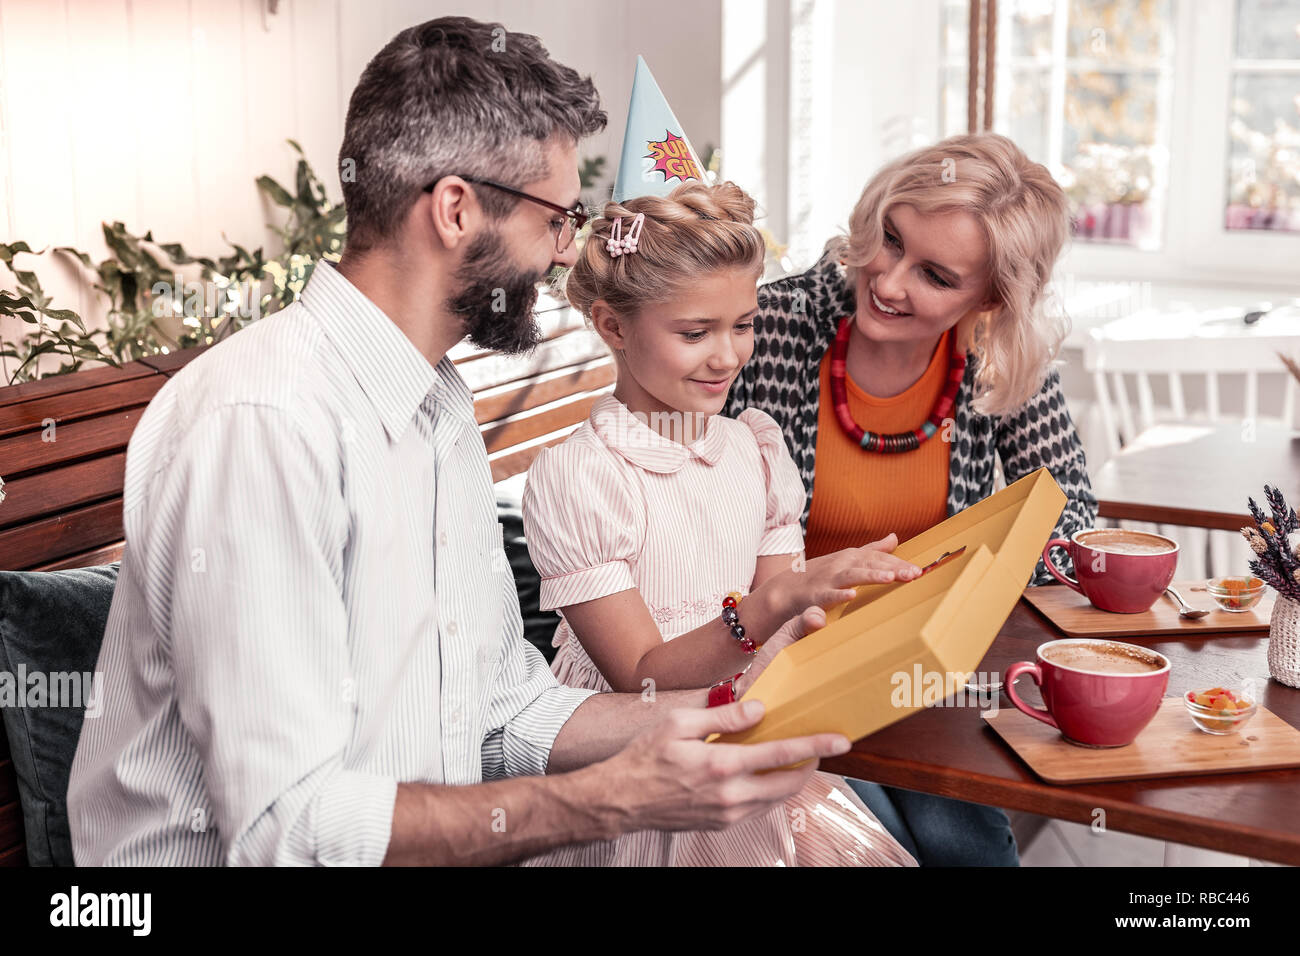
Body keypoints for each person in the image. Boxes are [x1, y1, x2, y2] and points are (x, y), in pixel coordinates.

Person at [65, 16, 853, 867]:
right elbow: (287, 828)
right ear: (455, 209)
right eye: (557, 217)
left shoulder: (436, 405)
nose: (563, 252)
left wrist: (734, 715)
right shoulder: (262, 423)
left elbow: (504, 707)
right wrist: (606, 800)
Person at [722, 133, 1099, 866]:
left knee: (964, 841)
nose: (889, 281)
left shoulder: (998, 359)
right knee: (895, 846)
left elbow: (1072, 524)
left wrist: (973, 585)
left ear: (990, 297)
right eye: (889, 240)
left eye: (934, 274)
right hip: (777, 659)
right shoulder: (769, 326)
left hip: (920, 664)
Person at [520, 181, 920, 866]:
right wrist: (780, 600)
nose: (729, 356)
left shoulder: (754, 449)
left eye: (743, 324)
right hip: (644, 772)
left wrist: (844, 608)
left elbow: (788, 628)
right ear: (612, 326)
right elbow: (641, 678)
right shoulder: (582, 477)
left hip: (754, 739)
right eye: (694, 332)